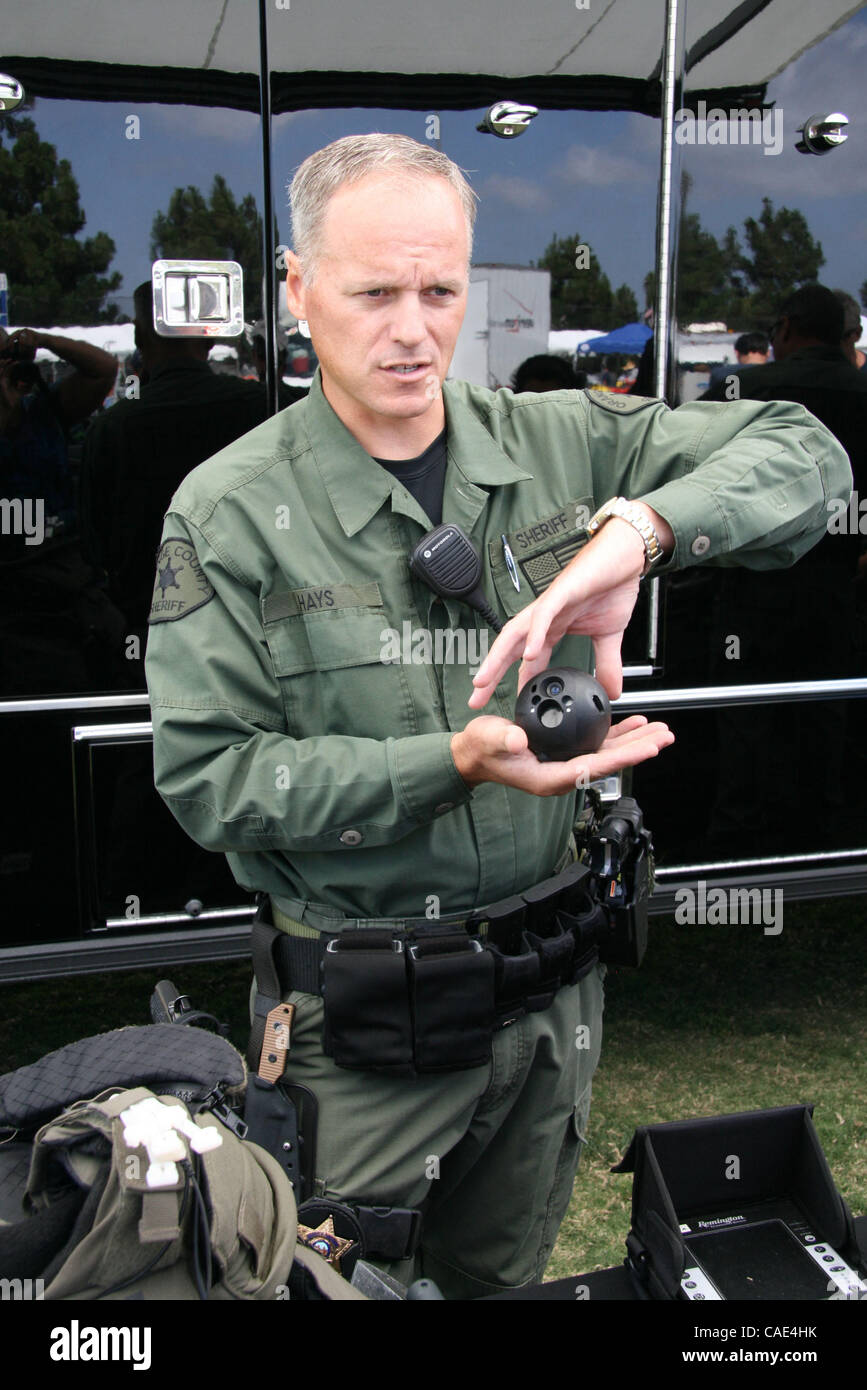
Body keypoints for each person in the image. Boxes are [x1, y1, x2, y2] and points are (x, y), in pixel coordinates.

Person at [144, 134, 851, 1299]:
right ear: (296, 286)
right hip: (367, 1038)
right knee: (329, 1287)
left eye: (441, 290)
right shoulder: (230, 514)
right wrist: (451, 762)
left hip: (550, 1009)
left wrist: (641, 531)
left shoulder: (558, 442)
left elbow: (806, 455)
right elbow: (211, 778)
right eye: (375, 292)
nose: (414, 329)